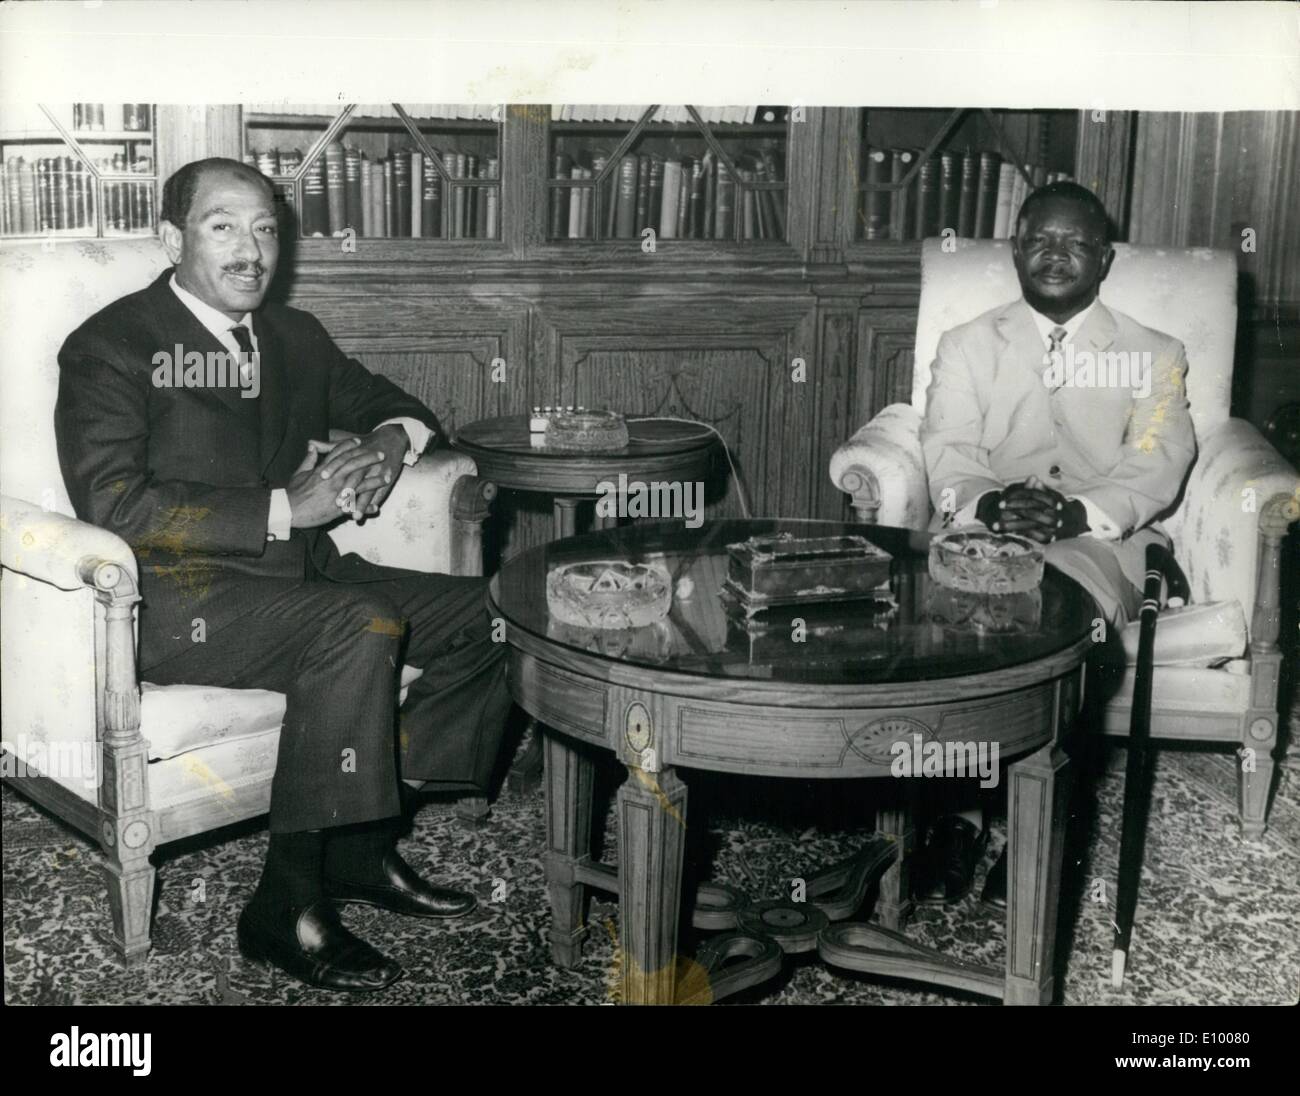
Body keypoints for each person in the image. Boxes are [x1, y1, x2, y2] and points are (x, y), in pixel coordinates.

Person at [54, 157, 513, 992]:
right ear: (171, 239)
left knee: (498, 612)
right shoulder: (111, 346)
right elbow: (113, 503)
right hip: (179, 601)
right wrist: (280, 509)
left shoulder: (295, 337)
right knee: (362, 622)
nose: (250, 250)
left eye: (266, 229)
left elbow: (397, 405)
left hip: (306, 579)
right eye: (222, 226)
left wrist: (385, 443)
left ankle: (360, 846)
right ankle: (285, 902)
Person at [915, 181, 1196, 907]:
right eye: (1041, 239)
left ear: (1103, 258)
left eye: (1075, 244)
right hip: (986, 529)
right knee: (958, 614)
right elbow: (946, 446)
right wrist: (993, 502)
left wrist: (1075, 514)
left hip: (1098, 541)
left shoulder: (1154, 352)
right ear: (1016, 247)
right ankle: (958, 812)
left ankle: (1045, 819)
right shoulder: (968, 344)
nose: (1056, 255)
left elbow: (1159, 459)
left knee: (1064, 619)